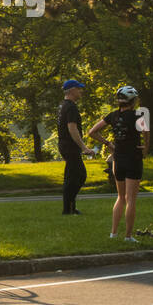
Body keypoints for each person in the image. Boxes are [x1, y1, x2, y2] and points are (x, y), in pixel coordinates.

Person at [86, 86, 147, 243]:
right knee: (131, 199)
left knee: (121, 197)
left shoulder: (112, 115)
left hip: (117, 159)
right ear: (133, 101)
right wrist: (145, 148)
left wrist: (108, 143)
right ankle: (128, 236)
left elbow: (92, 131)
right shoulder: (139, 114)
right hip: (133, 159)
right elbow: (146, 134)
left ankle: (113, 233)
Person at [57, 79, 90, 215]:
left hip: (65, 145)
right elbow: (72, 128)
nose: (81, 91)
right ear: (72, 90)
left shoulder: (62, 105)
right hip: (70, 146)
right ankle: (68, 209)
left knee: (72, 176)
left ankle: (70, 207)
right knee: (78, 176)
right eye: (78, 88)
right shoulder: (70, 107)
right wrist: (83, 147)